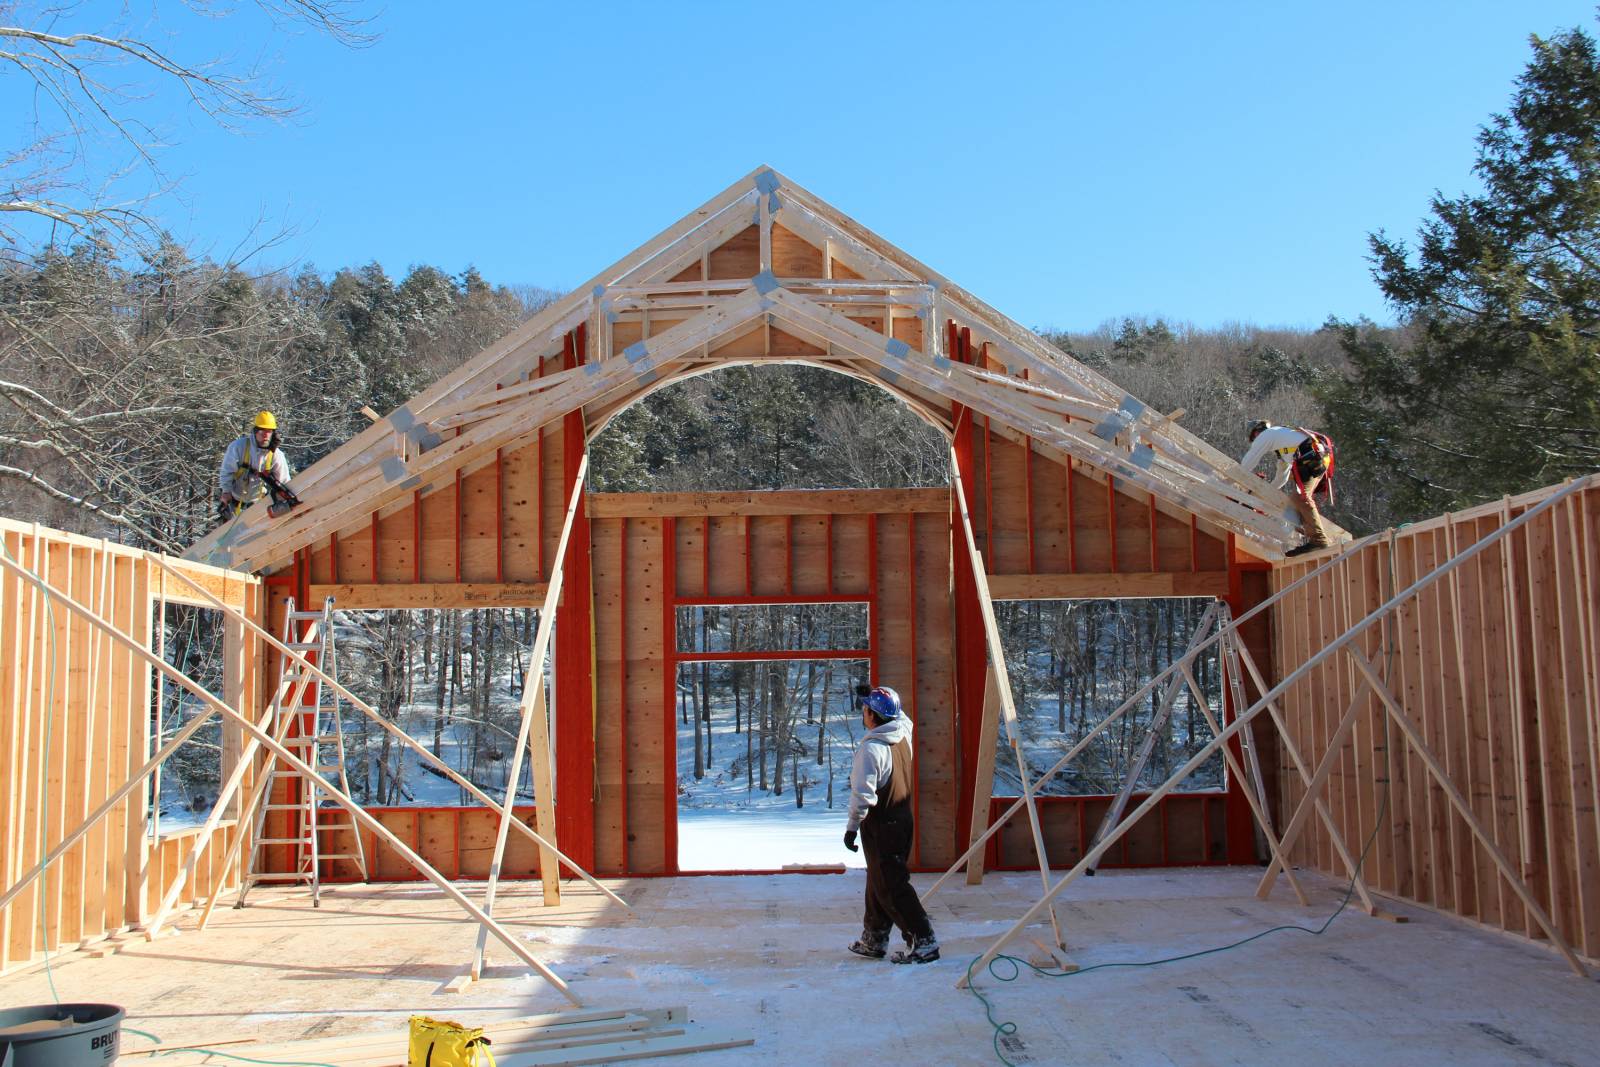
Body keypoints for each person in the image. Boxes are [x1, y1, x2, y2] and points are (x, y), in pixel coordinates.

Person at [844, 684, 939, 964]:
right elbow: (902, 716)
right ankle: (874, 937)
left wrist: (852, 827)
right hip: (901, 820)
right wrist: (875, 693)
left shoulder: (872, 750)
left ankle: (924, 939)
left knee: (891, 885)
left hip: (882, 824)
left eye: (865, 709)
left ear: (872, 717)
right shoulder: (902, 734)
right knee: (878, 878)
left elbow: (862, 795)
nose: (862, 714)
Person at [1240, 419, 1332, 557]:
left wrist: (1234, 478)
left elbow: (1249, 461)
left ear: (1257, 431)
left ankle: (1319, 540)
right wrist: (1260, 494)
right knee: (1295, 502)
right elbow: (1281, 478)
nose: (1255, 441)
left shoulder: (1269, 434)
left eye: (1254, 437)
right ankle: (1309, 536)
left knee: (1301, 498)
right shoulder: (1283, 447)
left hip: (1313, 459)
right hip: (1316, 459)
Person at [218, 411, 295, 522]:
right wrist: (226, 492)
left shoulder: (276, 455)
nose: (265, 434)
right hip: (233, 502)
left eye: (268, 431)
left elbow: (284, 483)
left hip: (258, 505)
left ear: (273, 433)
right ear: (255, 431)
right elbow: (227, 472)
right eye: (262, 430)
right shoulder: (238, 447)